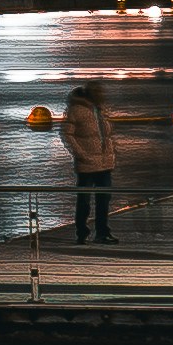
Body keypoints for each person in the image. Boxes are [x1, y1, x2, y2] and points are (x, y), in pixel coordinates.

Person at [55, 76, 119, 242]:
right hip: (87, 165)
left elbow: (106, 135)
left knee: (103, 200)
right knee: (84, 200)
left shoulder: (100, 109)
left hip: (105, 163)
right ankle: (82, 233)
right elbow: (66, 134)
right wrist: (82, 155)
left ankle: (102, 232)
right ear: (91, 93)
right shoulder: (76, 110)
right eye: (98, 92)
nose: (102, 94)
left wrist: (111, 153)